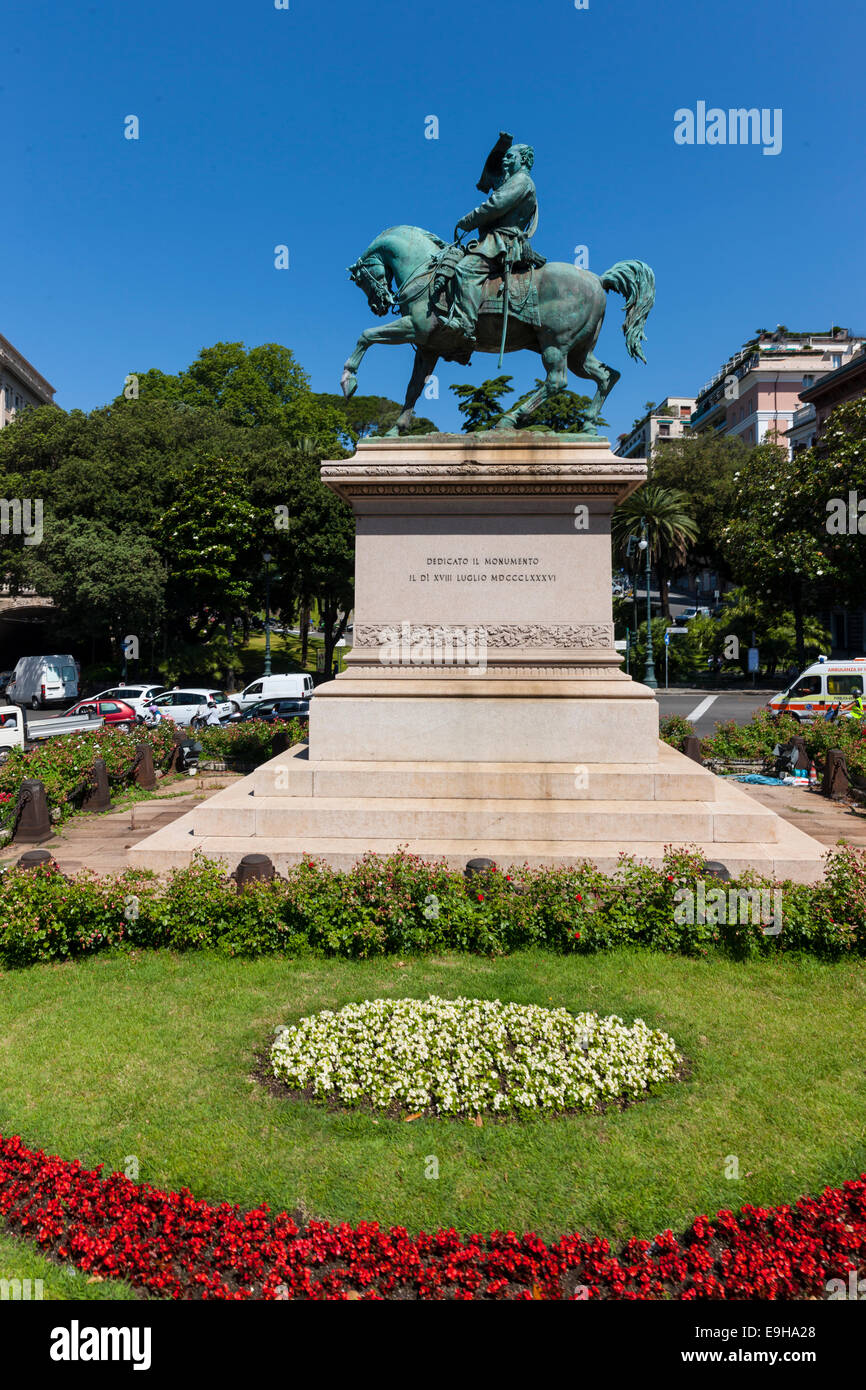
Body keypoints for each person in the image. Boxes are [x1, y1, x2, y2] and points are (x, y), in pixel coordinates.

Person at [450, 142, 541, 349]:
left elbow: (495, 205)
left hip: (501, 241)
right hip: (499, 238)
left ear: (524, 160)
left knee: (466, 269)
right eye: (505, 156)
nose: (505, 160)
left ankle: (465, 324)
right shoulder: (517, 180)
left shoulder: (521, 180)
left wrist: (467, 221)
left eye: (510, 157)